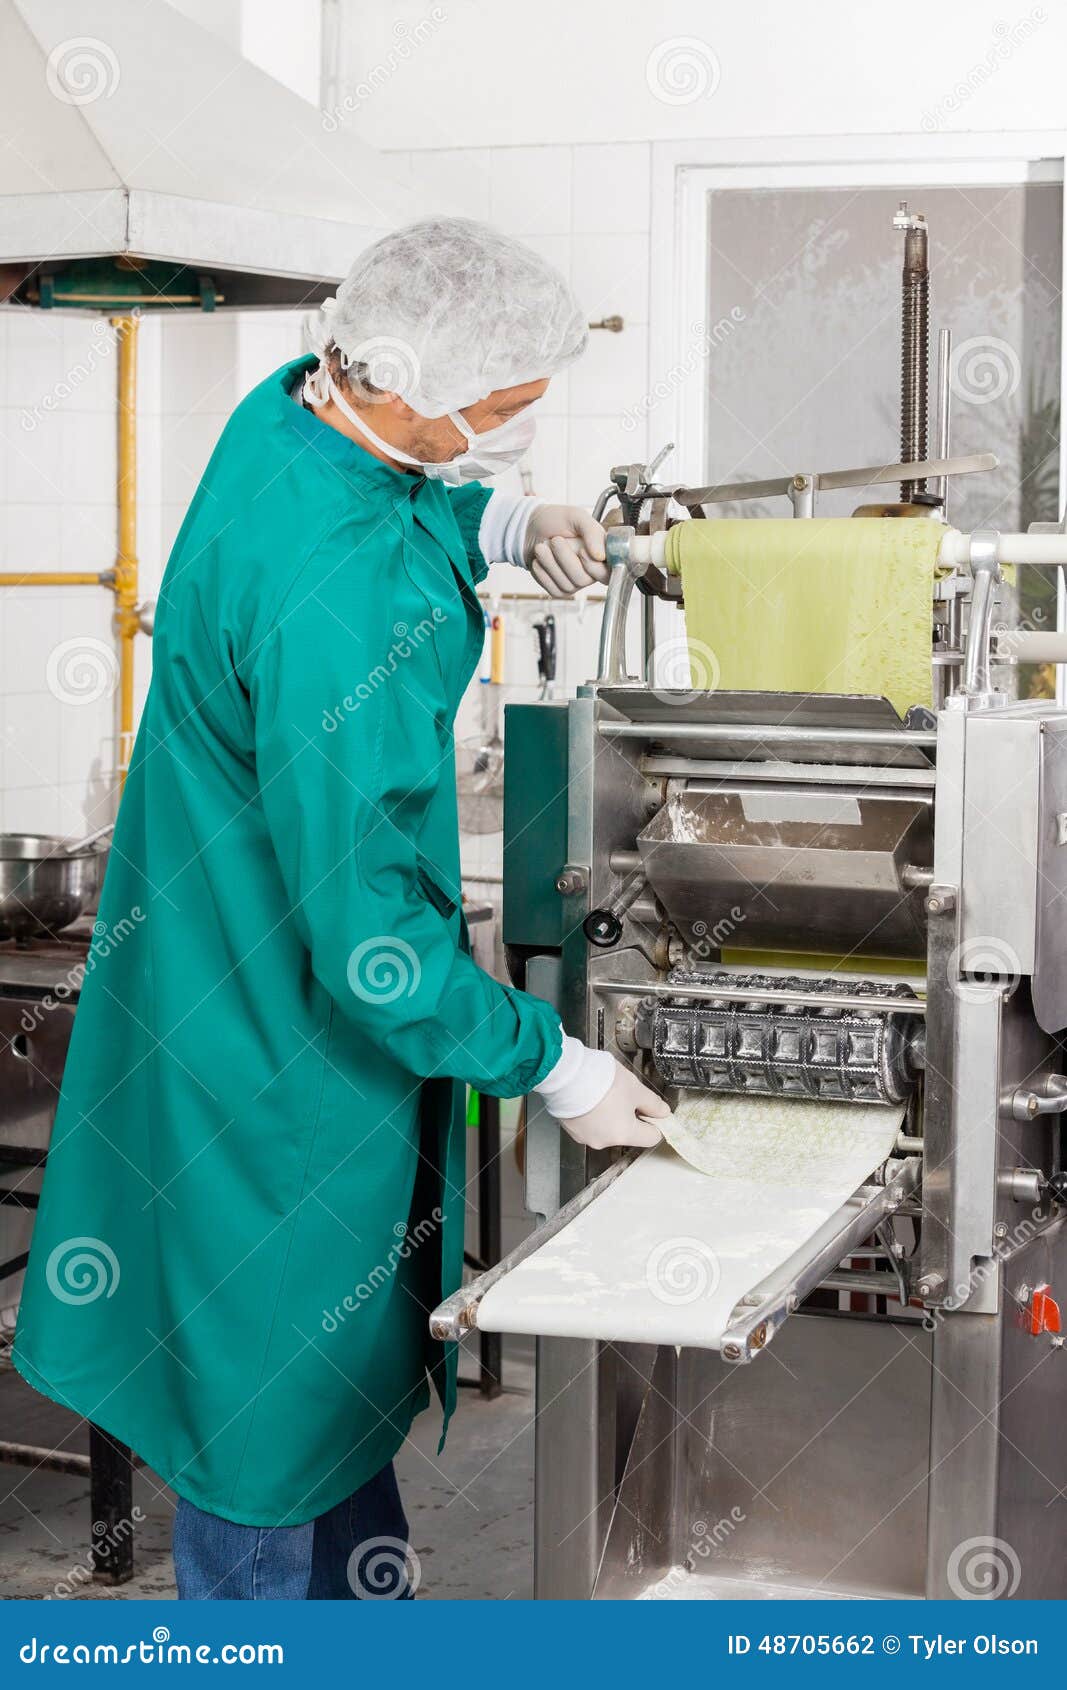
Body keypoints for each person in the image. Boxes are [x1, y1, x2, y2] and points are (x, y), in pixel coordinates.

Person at [14, 218, 667, 1601]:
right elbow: (374, 949)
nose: (514, 433)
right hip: (283, 1066)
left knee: (321, 1406)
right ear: (406, 379)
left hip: (214, 999)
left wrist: (503, 518)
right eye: (501, 411)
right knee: (265, 1428)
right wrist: (559, 1066)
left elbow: (387, 489)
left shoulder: (287, 415)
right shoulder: (336, 604)